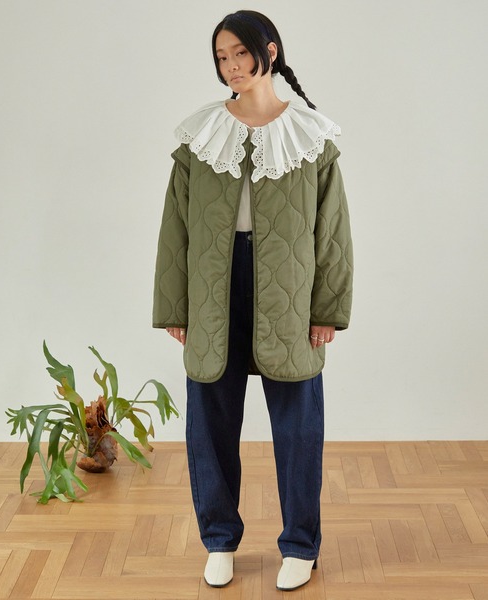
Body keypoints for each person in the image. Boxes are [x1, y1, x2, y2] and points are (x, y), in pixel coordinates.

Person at [152, 9, 353, 592]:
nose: (232, 66)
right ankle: (219, 540)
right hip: (212, 287)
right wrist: (175, 307)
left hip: (288, 290)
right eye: (222, 57)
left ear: (269, 50)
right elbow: (175, 228)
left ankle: (300, 545)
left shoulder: (311, 136)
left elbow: (333, 233)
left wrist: (328, 308)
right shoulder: (201, 135)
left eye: (240, 52)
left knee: (298, 425)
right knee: (210, 421)